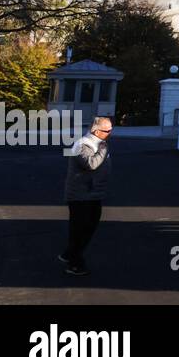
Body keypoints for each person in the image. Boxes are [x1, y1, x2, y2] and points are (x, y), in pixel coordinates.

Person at [60, 116, 112, 276]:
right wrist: (103, 149)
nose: (110, 133)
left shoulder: (98, 143)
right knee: (79, 229)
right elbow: (91, 164)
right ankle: (74, 264)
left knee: (90, 226)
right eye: (107, 131)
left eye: (111, 130)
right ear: (96, 131)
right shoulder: (82, 144)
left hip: (92, 194)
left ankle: (69, 254)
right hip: (80, 195)